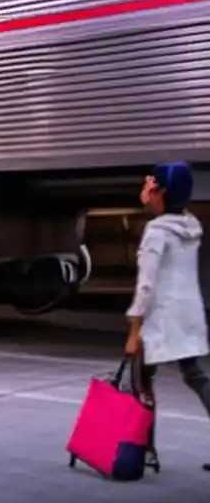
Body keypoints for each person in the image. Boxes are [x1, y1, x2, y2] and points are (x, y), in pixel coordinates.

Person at [125, 162, 210, 472]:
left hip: (161, 318)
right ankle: (146, 449)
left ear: (161, 192)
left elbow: (146, 286)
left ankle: (145, 451)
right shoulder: (190, 225)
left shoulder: (157, 232)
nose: (145, 187)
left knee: (142, 380)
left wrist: (134, 330)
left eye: (151, 183)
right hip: (188, 315)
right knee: (197, 377)